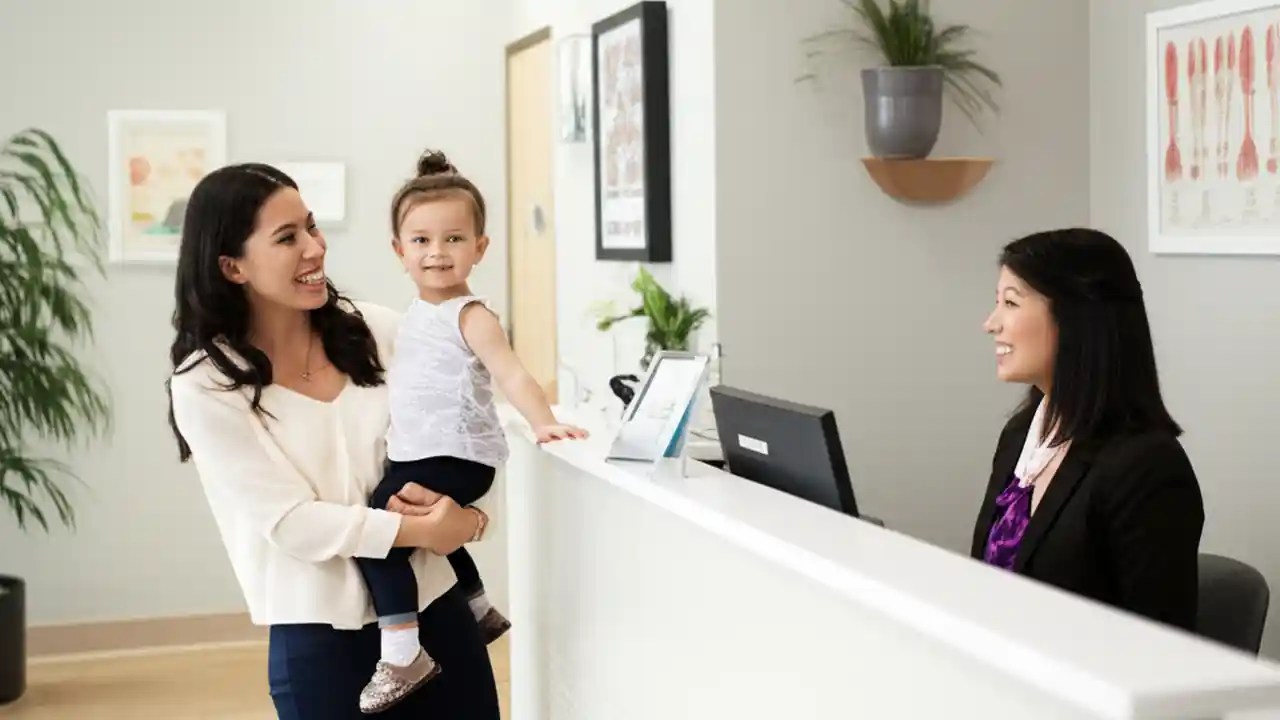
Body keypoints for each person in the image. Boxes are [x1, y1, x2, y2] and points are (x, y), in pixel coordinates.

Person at [166, 163, 501, 719]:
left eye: (312, 227)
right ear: (233, 266)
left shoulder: (382, 330)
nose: (315, 248)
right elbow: (291, 521)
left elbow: (471, 430)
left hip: (439, 614)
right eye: (287, 237)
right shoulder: (205, 383)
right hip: (321, 644)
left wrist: (470, 519)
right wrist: (423, 529)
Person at [352, 149, 587, 713]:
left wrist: (544, 422)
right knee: (419, 530)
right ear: (399, 250)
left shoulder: (471, 315)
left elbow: (512, 372)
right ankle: (477, 606)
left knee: (376, 534)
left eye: (454, 239)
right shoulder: (410, 316)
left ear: (480, 248)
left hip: (456, 455)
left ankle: (403, 652)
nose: (437, 253)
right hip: (420, 454)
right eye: (422, 241)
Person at [972, 227, 1205, 632]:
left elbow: (1158, 648)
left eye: (1011, 303)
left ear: (1074, 317)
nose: (991, 323)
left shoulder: (1147, 467)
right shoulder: (1019, 435)